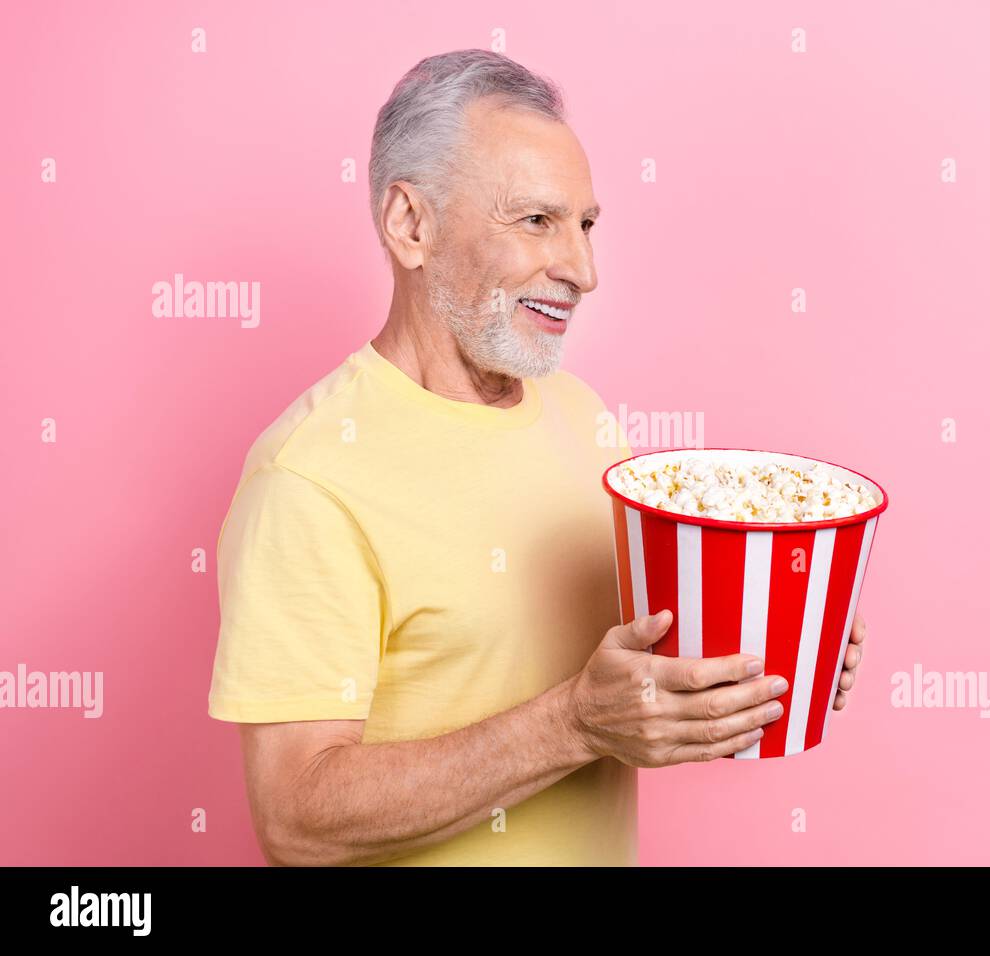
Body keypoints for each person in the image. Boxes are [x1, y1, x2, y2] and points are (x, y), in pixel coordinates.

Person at [207, 49, 866, 866]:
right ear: (411, 225)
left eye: (585, 225)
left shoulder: (581, 417)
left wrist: (772, 655)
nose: (582, 270)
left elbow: (626, 689)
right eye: (536, 221)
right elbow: (296, 817)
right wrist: (571, 723)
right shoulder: (308, 477)